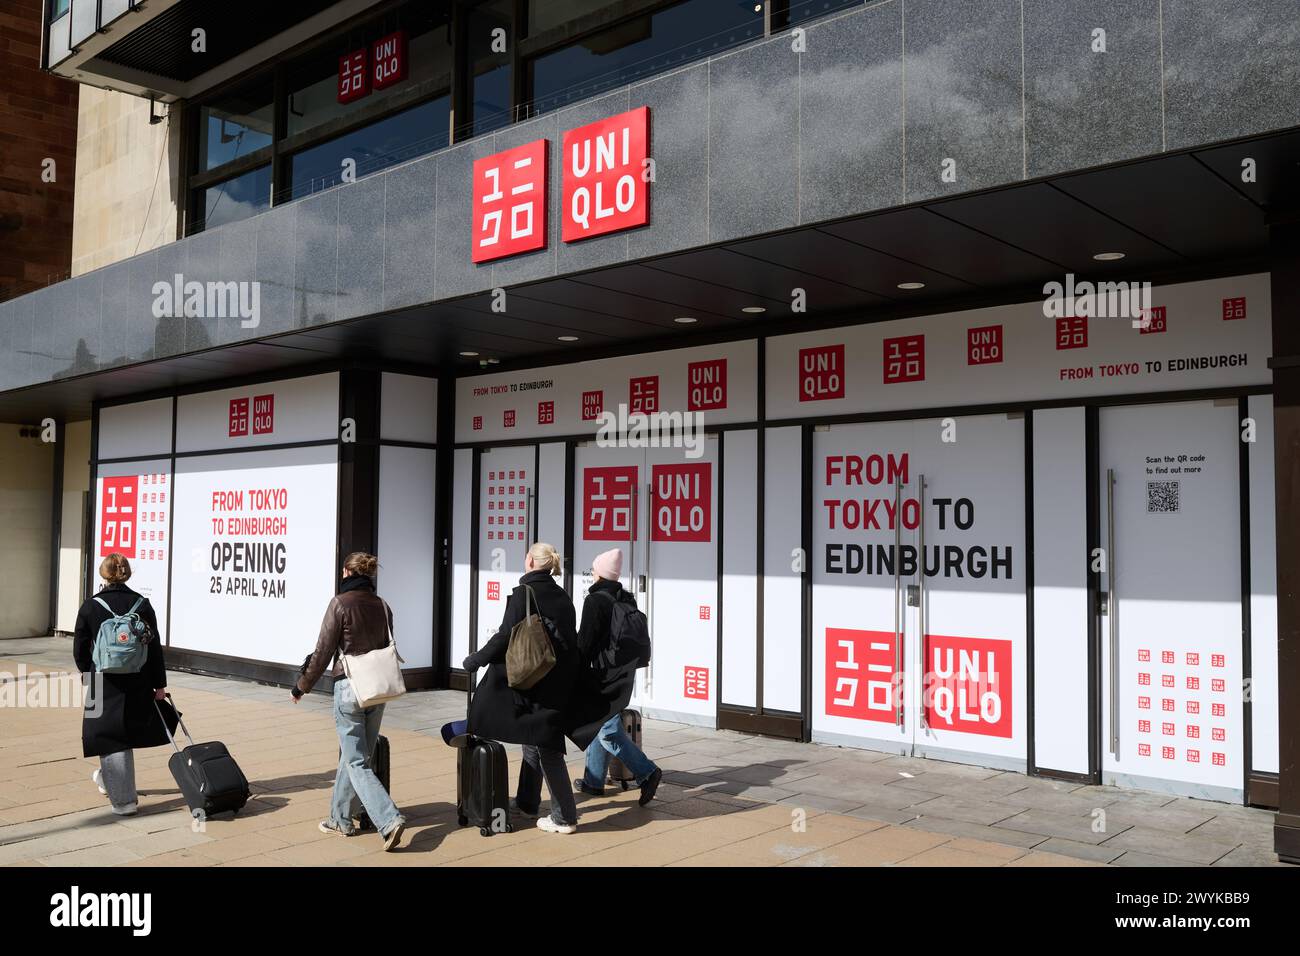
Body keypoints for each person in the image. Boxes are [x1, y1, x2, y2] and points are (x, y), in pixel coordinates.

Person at [461, 542, 582, 834]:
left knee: (548, 748)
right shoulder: (563, 597)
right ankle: (528, 801)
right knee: (534, 739)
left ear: (529, 561)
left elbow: (505, 636)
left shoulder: (523, 594)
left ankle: (565, 816)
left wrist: (477, 659)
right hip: (556, 680)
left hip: (532, 680)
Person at [294, 551, 406, 851]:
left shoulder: (339, 604)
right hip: (377, 689)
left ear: (346, 572)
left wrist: (301, 686)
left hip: (349, 688)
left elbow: (322, 651)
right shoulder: (382, 605)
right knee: (355, 756)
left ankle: (389, 819)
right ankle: (339, 819)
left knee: (355, 760)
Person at [73, 553, 173, 816]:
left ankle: (124, 802)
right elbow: (154, 649)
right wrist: (159, 684)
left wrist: (86, 671)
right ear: (127, 573)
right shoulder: (142, 604)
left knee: (106, 736)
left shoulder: (91, 606)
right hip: (137, 679)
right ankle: (109, 780)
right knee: (125, 733)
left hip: (101, 681)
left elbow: (80, 647)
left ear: (103, 574)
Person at [569, 548, 662, 805]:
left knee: (608, 729)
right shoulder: (626, 598)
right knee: (602, 721)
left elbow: (585, 643)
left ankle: (647, 772)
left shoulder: (595, 601)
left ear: (599, 572)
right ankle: (593, 781)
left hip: (602, 674)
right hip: (623, 673)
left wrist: (575, 673)